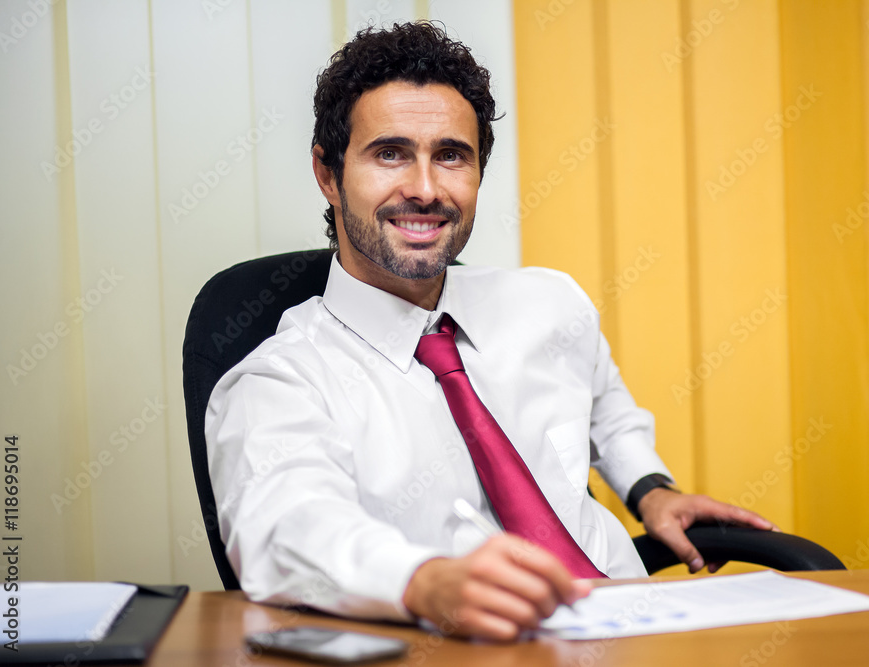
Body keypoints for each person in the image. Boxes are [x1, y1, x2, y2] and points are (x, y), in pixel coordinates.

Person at [205, 21, 775, 642]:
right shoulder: (281, 380)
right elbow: (286, 528)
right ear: (328, 173)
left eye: (450, 155)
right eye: (390, 153)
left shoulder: (548, 302)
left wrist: (650, 489)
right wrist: (422, 582)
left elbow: (606, 410)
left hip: (637, 632)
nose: (424, 190)